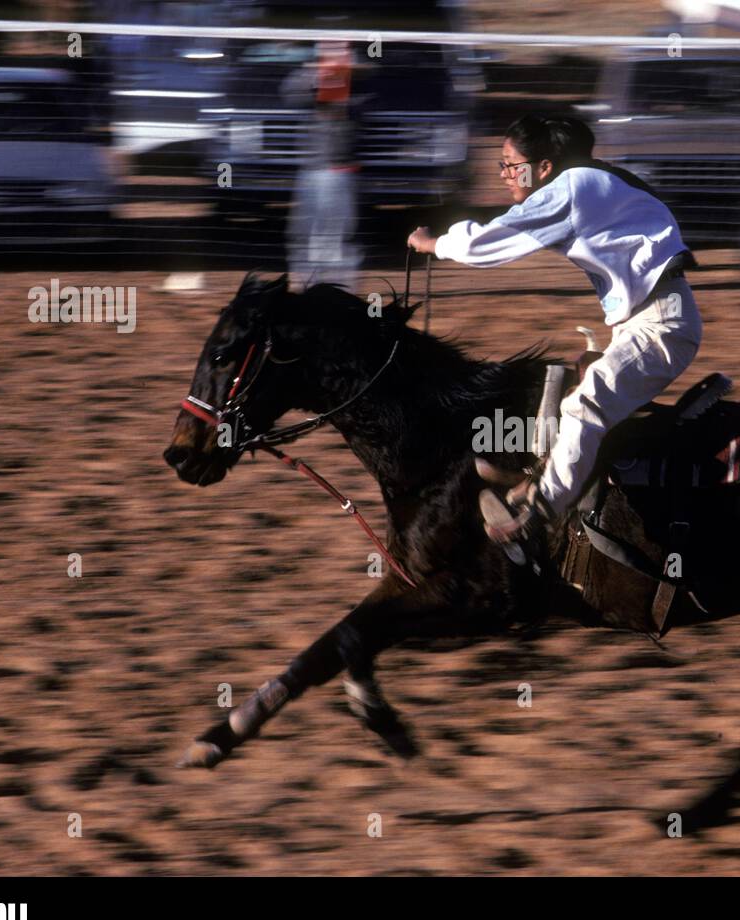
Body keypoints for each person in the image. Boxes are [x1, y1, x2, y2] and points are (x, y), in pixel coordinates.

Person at [407, 114, 701, 547]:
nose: (505, 175)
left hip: (662, 325)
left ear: (544, 167)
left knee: (586, 404)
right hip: (645, 322)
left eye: (511, 164)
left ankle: (539, 515)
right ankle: (540, 474)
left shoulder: (574, 185)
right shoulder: (596, 181)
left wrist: (436, 244)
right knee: (560, 393)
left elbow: (494, 239)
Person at [282, 40, 363, 291]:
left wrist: (333, 76)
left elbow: (348, 105)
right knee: (307, 230)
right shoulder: (311, 78)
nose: (334, 60)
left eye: (340, 53)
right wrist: (315, 74)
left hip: (338, 170)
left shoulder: (356, 81)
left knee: (334, 233)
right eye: (328, 54)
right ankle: (310, 285)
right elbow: (289, 93)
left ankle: (337, 288)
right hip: (313, 169)